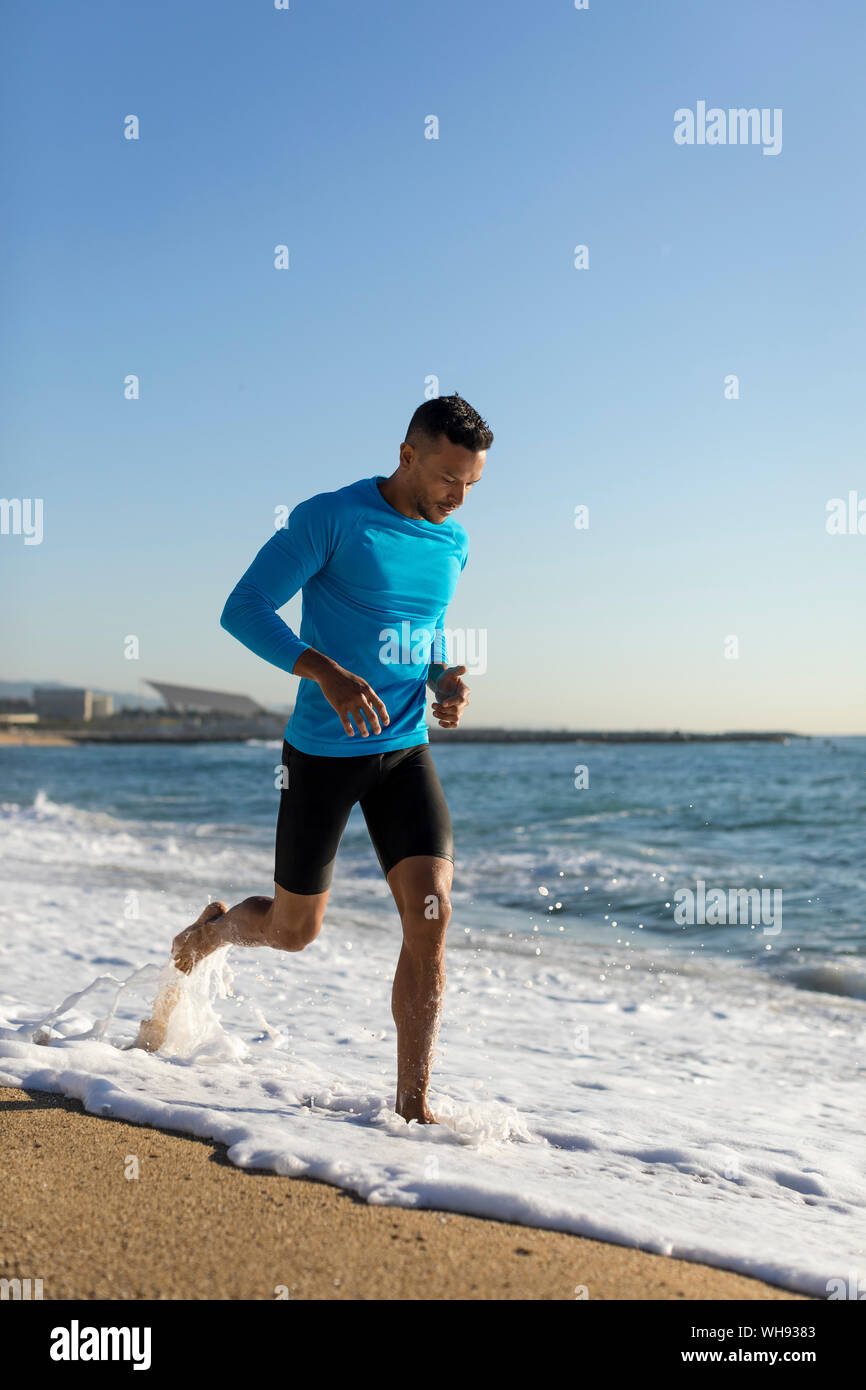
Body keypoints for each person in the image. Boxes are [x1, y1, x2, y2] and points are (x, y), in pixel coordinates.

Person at [143, 394, 492, 1125]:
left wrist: (441, 677)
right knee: (296, 932)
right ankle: (213, 931)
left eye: (472, 485)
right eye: (449, 479)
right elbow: (243, 609)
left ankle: (411, 1107)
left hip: (404, 750)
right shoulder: (329, 517)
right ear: (408, 456)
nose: (459, 498)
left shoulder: (451, 544)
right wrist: (323, 671)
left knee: (432, 913)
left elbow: (419, 632)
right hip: (323, 753)